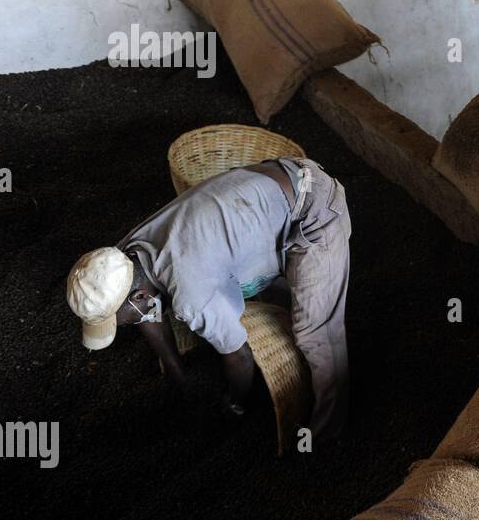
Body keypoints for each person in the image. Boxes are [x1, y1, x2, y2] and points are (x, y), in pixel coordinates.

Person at [65, 156, 352, 444]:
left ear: (139, 296)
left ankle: (327, 434)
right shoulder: (121, 258)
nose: (128, 323)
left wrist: (235, 401)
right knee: (259, 282)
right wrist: (181, 380)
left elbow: (240, 356)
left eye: (120, 321)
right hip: (267, 186)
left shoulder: (192, 295)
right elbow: (146, 312)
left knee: (314, 332)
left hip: (313, 208)